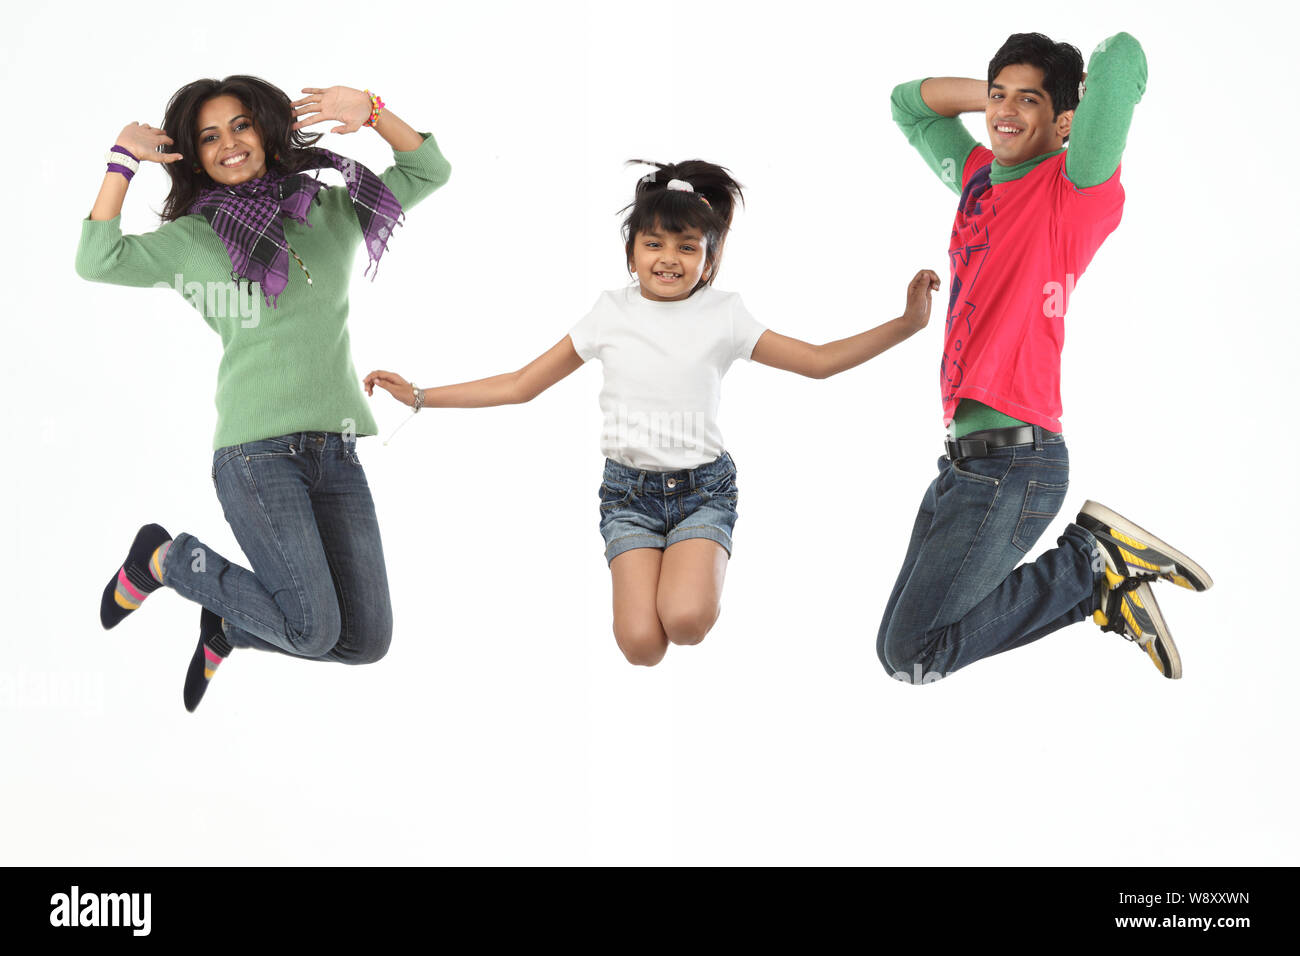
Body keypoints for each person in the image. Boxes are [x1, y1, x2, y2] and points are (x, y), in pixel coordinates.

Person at [366, 160, 939, 666]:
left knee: (686, 623)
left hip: (703, 490)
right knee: (641, 647)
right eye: (654, 245)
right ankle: (663, 574)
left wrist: (907, 323)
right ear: (632, 253)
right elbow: (521, 384)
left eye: (688, 247)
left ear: (708, 260)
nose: (670, 259)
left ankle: (697, 561)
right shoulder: (607, 314)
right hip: (628, 495)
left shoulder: (726, 315)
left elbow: (818, 361)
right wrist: (421, 396)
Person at [76, 76, 451, 710]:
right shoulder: (193, 240)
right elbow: (99, 259)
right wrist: (122, 161)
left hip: (336, 451)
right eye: (210, 136)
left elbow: (427, 168)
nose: (229, 144)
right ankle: (167, 561)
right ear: (195, 156)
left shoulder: (328, 213)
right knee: (311, 628)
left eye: (241, 125)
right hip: (256, 454)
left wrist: (374, 113)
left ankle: (228, 625)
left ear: (266, 131)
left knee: (364, 641)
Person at [879, 32, 1211, 683]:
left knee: (913, 653)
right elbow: (908, 107)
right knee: (902, 646)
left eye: (1027, 100)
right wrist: (1004, 101)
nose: (1002, 110)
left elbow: (1122, 60)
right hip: (965, 466)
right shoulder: (979, 179)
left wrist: (1057, 106)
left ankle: (1090, 564)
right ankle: (1100, 585)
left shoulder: (1071, 193)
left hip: (1014, 460)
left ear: (1065, 121)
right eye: (997, 95)